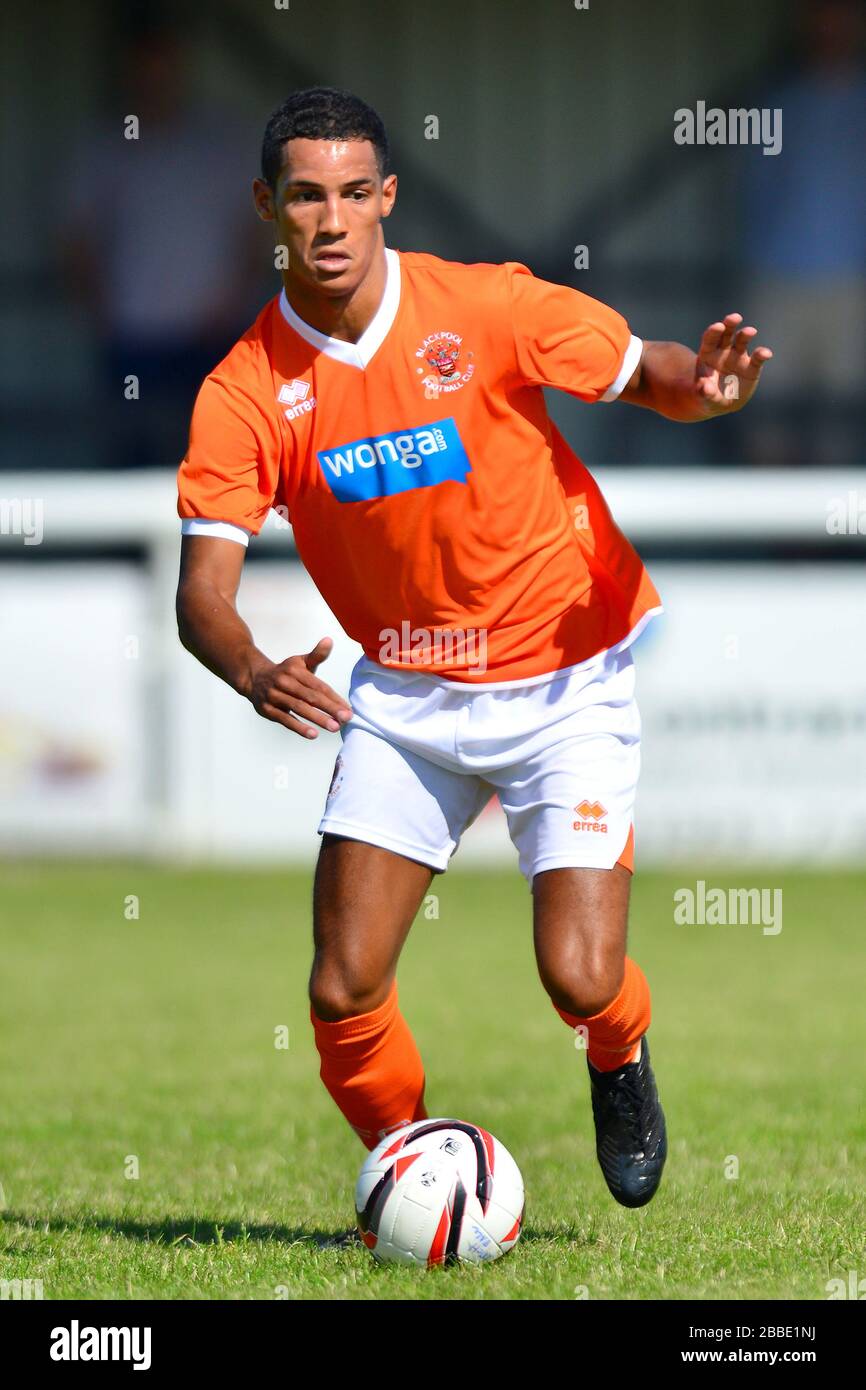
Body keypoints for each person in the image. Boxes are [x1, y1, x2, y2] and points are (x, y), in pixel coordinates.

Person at [175, 87, 772, 1210]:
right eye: (307, 195)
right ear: (269, 206)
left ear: (388, 197)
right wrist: (253, 669)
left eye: (356, 193)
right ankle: (420, 1167)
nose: (334, 219)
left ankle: (616, 1052)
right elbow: (200, 594)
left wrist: (715, 390)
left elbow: (656, 375)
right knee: (344, 989)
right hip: (402, 696)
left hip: (566, 674)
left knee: (578, 975)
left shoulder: (488, 308)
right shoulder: (246, 388)